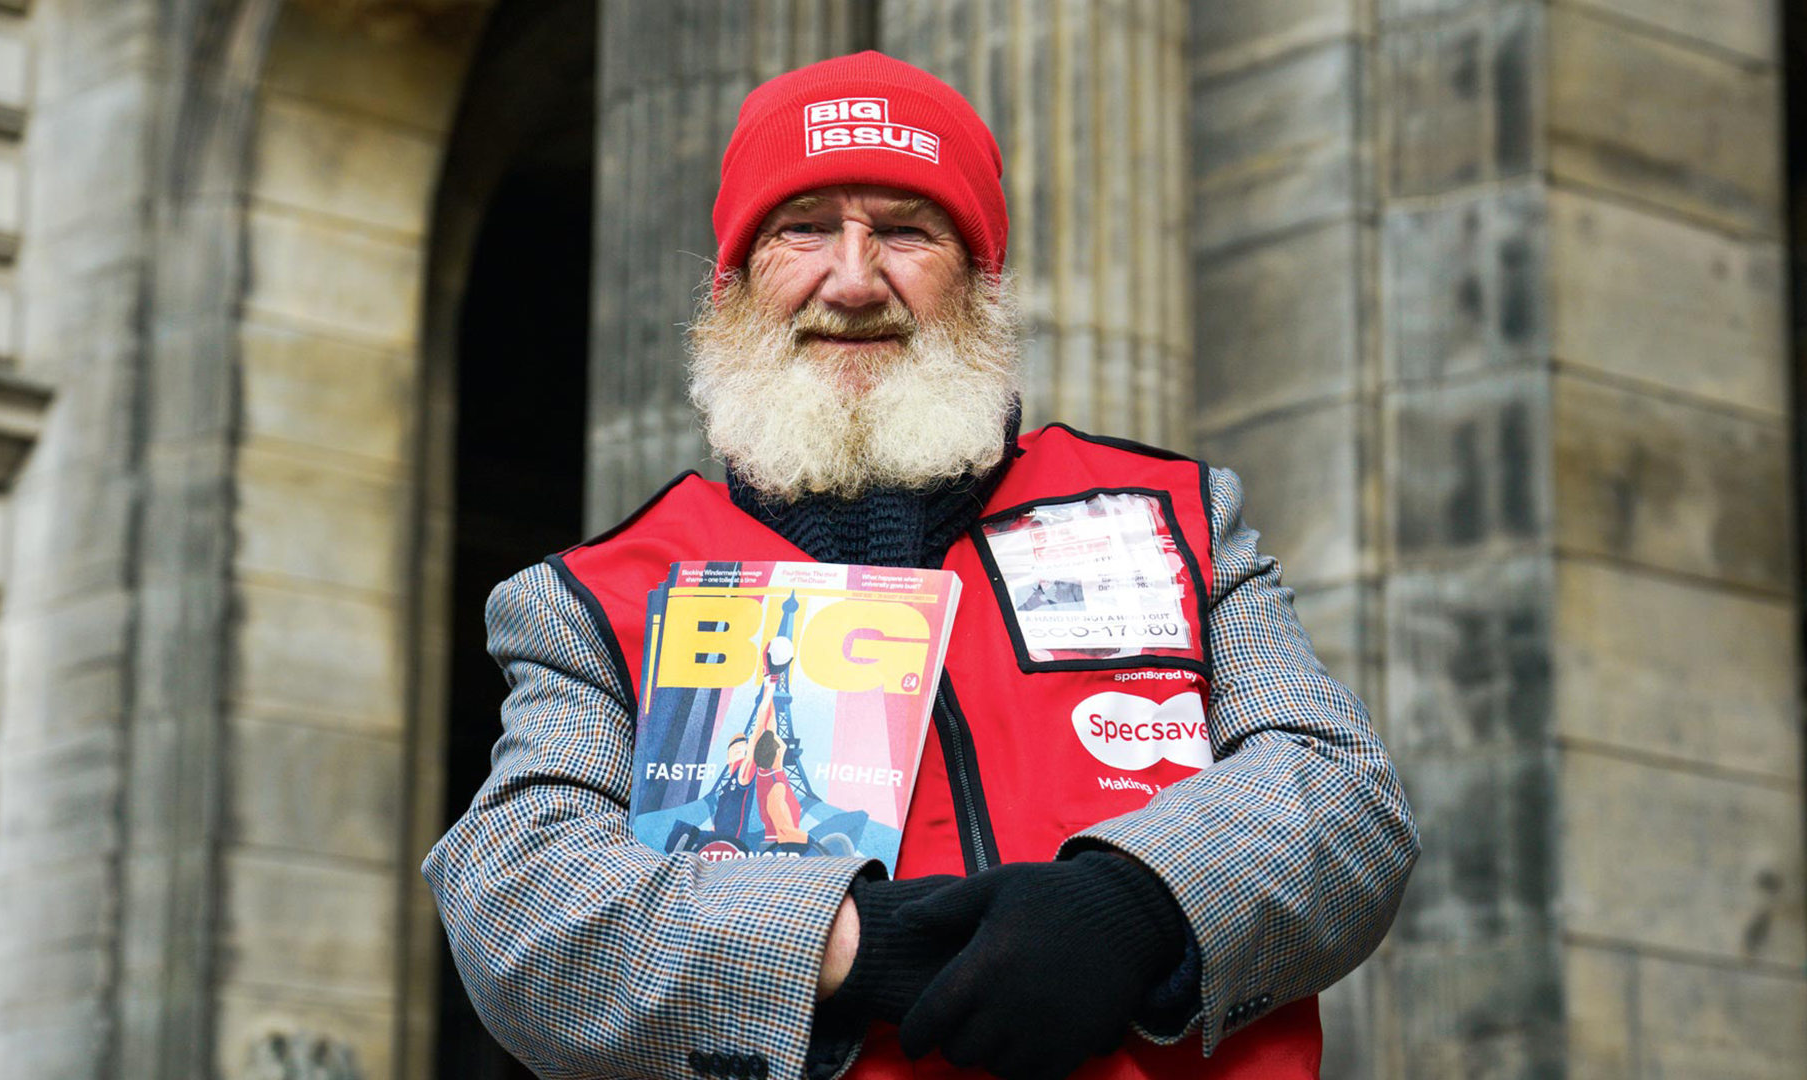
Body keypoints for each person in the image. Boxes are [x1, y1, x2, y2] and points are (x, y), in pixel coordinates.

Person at [424, 51, 1418, 1080]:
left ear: (978, 280)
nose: (853, 283)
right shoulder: (601, 596)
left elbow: (1340, 790)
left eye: (905, 230)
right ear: (733, 280)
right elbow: (521, 903)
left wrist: (1140, 903)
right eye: (803, 228)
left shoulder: (1177, 519)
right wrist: (850, 948)